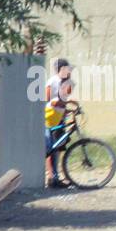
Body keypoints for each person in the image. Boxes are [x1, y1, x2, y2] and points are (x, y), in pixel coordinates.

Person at [45, 57, 73, 188]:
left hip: (59, 117)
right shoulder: (53, 81)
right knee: (51, 148)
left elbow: (62, 100)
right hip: (51, 118)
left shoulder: (65, 82)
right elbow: (49, 101)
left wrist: (66, 109)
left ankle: (55, 176)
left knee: (57, 148)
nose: (69, 72)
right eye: (67, 69)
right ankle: (51, 177)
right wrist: (67, 104)